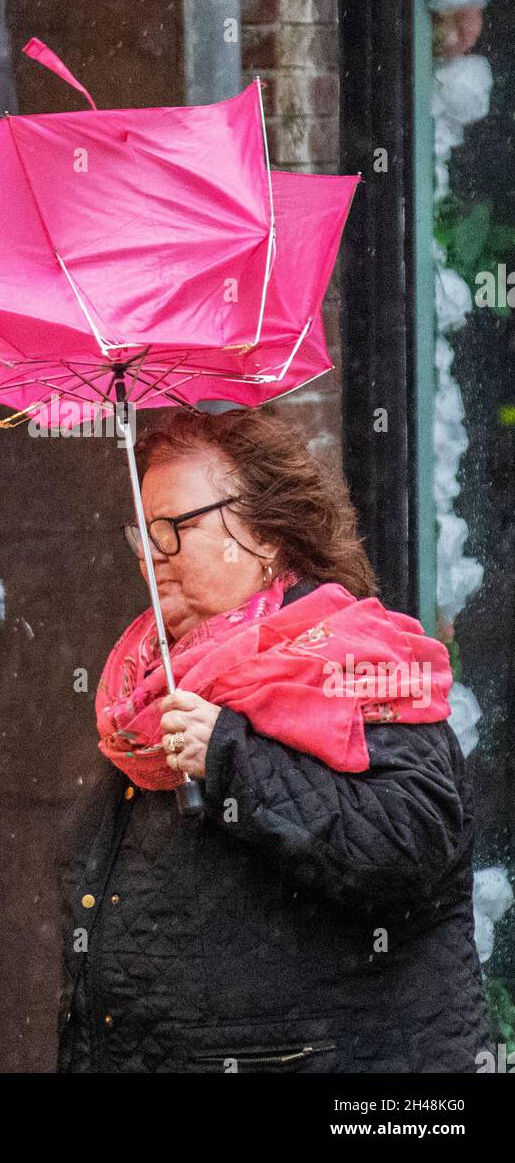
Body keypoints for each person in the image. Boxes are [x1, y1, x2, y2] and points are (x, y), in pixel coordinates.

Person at [54, 406, 495, 1073]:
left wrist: (234, 761)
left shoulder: (355, 661)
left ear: (266, 532)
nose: (156, 559)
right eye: (145, 535)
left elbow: (413, 841)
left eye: (176, 528)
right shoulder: (147, 686)